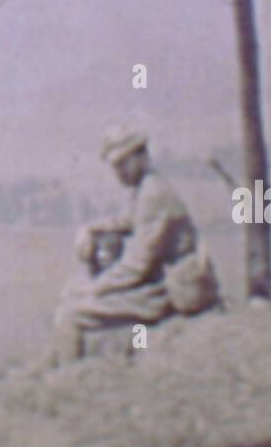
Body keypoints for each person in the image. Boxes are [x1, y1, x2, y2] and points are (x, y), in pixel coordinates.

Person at [52, 127, 218, 363]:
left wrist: (97, 287)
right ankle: (59, 366)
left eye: (122, 163)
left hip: (171, 289)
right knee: (72, 291)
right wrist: (92, 228)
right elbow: (128, 220)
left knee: (70, 314)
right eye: (114, 166)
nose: (118, 172)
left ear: (141, 155)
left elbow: (136, 267)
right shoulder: (146, 187)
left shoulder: (153, 194)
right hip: (166, 281)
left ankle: (69, 379)